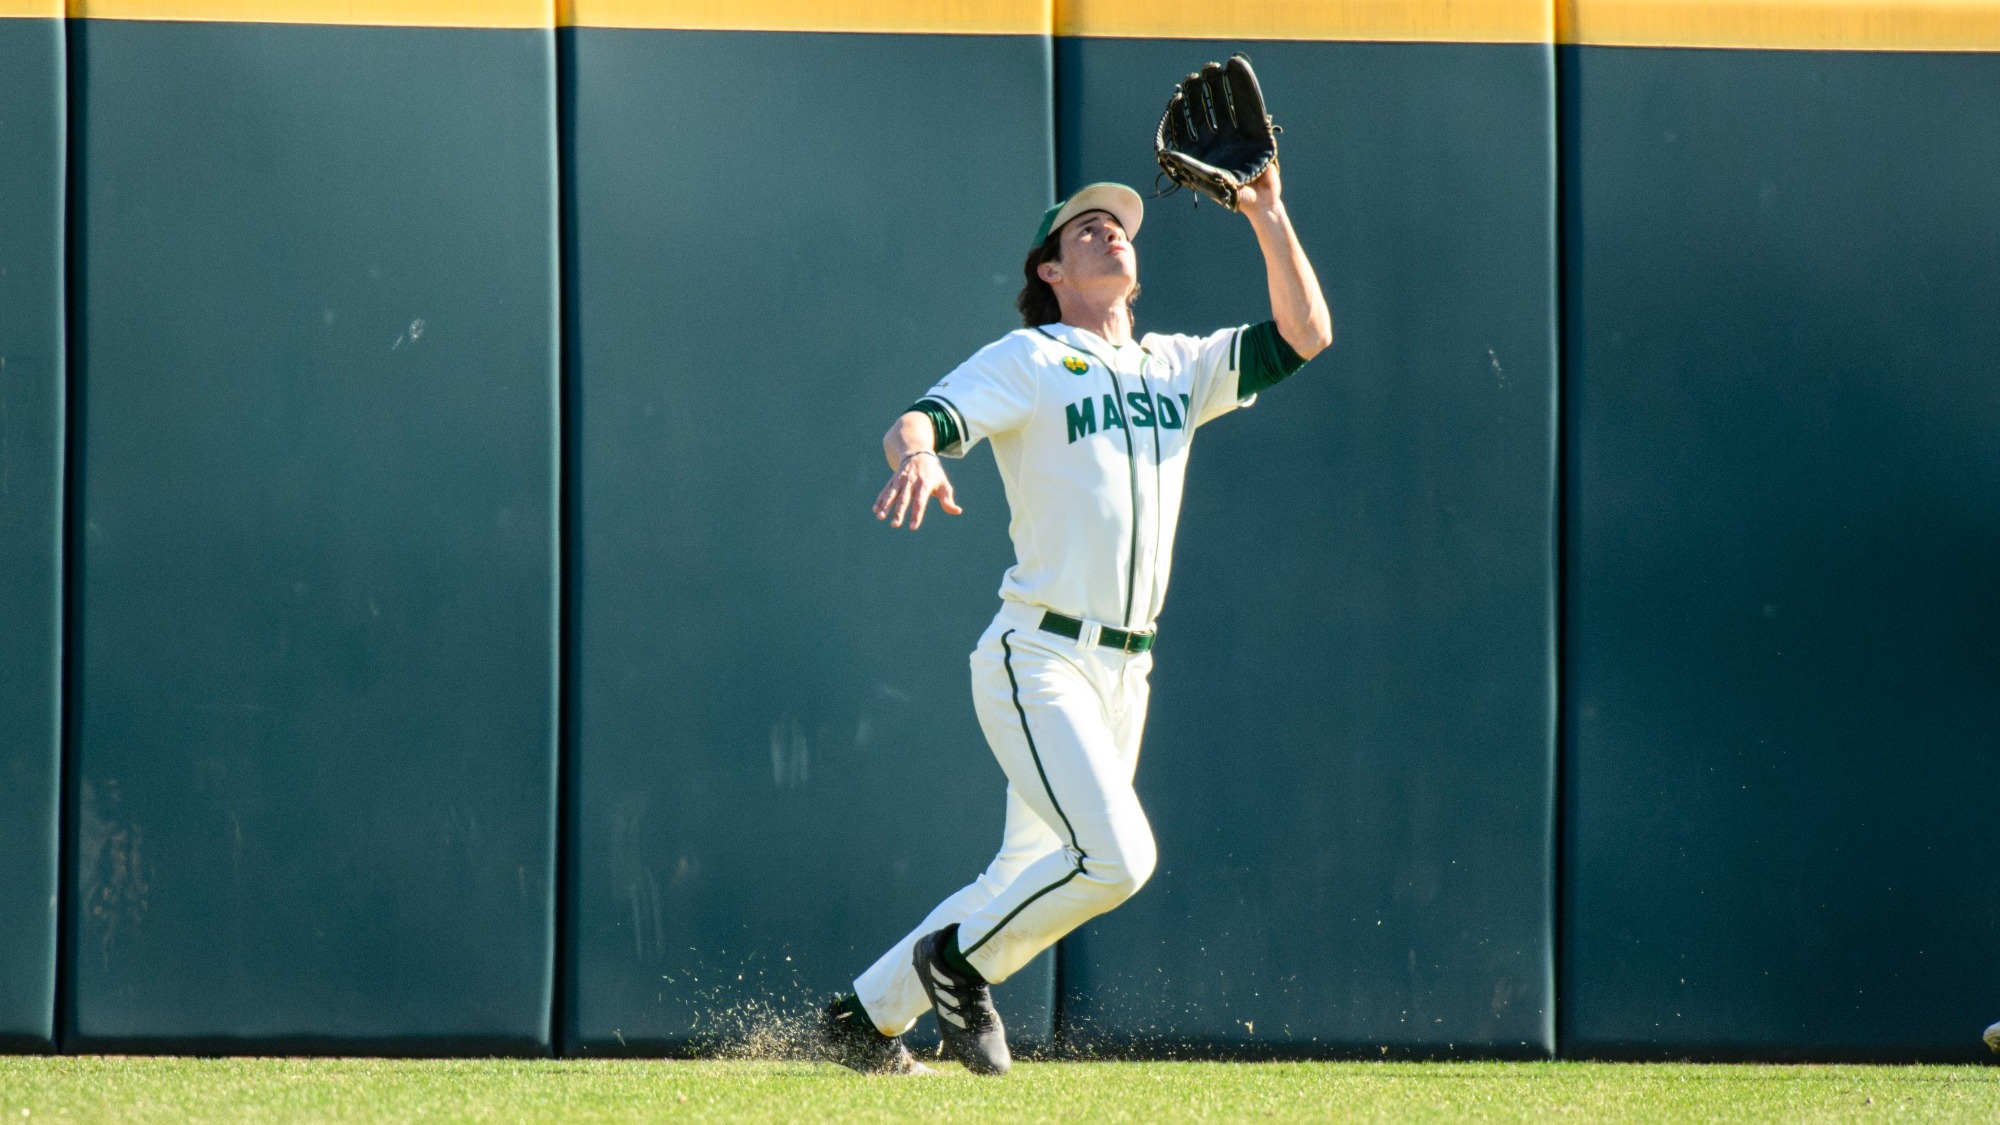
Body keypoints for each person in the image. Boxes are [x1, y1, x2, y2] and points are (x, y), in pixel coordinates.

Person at [818, 165, 1332, 1075]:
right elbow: (917, 420)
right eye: (1086, 228)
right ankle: (957, 965)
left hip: (1126, 674)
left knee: (1021, 875)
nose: (1110, 231)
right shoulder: (1030, 358)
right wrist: (919, 457)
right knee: (1119, 858)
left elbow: (1306, 334)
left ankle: (860, 1022)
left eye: (1119, 224)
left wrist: (1268, 213)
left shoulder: (1176, 366)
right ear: (1049, 271)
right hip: (1040, 657)